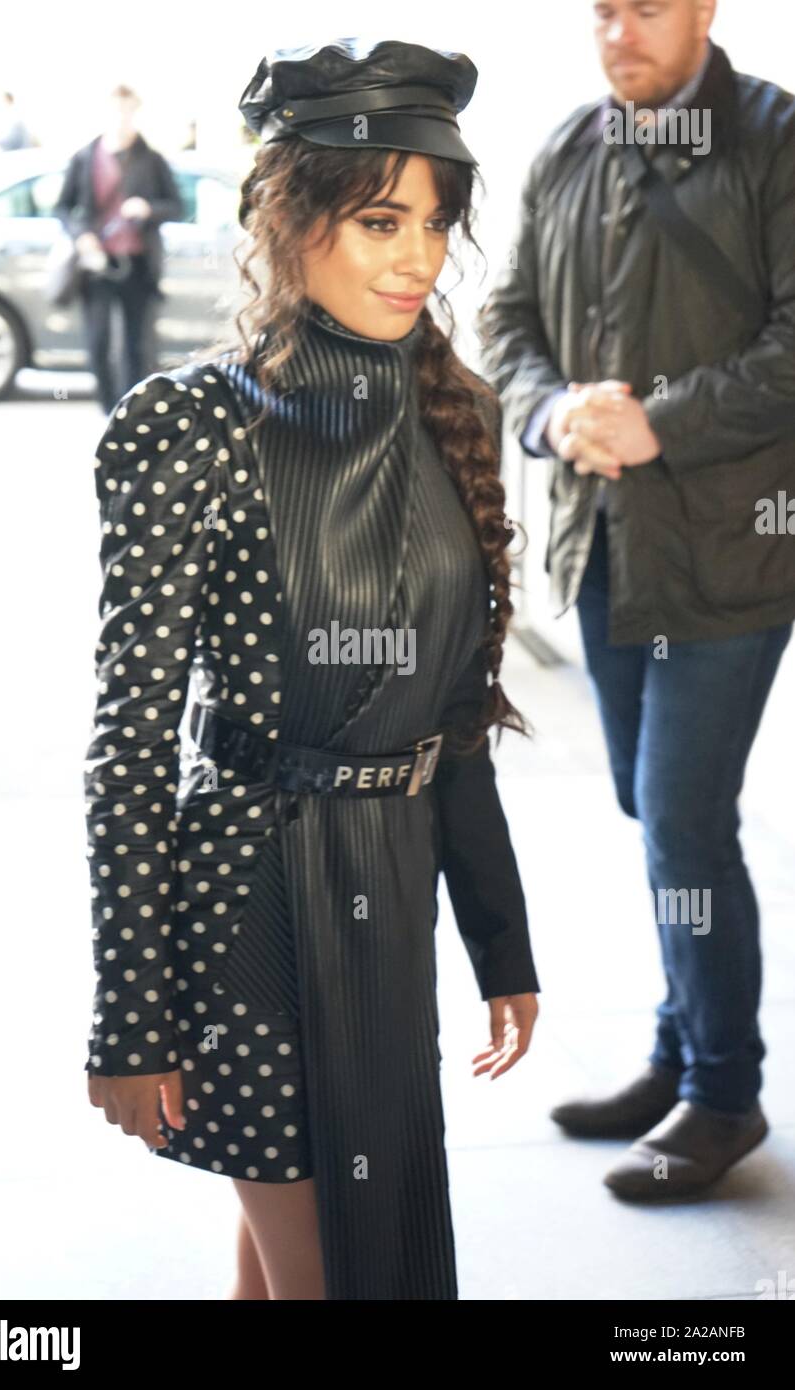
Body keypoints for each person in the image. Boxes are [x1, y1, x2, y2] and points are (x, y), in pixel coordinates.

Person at [82, 38, 541, 1301]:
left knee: (314, 1266)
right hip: (249, 909)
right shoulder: (188, 426)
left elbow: (451, 717)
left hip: (386, 900)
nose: (419, 258)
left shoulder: (456, 410)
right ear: (287, 220)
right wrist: (131, 1014)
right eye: (381, 218)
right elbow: (125, 738)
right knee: (344, 1280)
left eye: (438, 222)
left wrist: (499, 942)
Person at [479, 0, 795, 1201]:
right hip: (601, 545)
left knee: (680, 816)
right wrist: (554, 411)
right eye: (600, 9)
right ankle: (675, 1047)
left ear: (705, 8)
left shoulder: (771, 138)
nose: (618, 30)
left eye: (645, 7)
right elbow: (506, 323)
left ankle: (721, 1092)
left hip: (730, 553)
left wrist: (659, 421)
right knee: (644, 802)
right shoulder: (566, 145)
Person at [54, 85, 182, 415]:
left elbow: (176, 205)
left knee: (136, 345)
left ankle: (132, 410)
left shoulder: (150, 159)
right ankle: (108, 408)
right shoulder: (85, 158)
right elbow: (63, 208)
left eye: (128, 111)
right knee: (98, 342)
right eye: (117, 110)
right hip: (95, 263)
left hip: (137, 262)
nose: (123, 118)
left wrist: (147, 209)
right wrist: (82, 235)